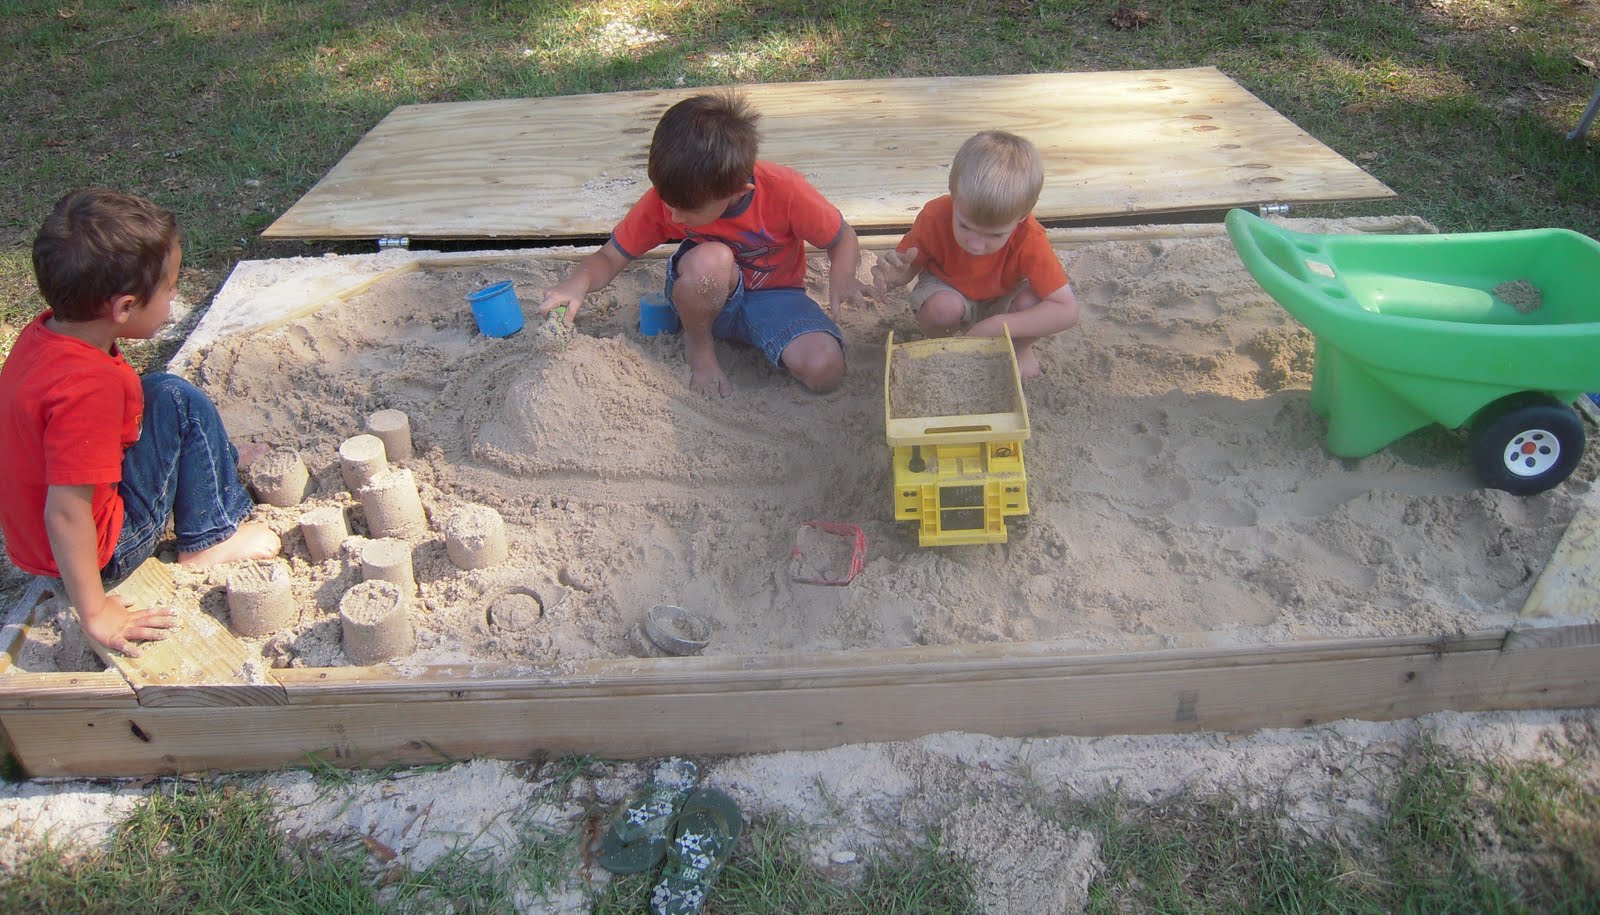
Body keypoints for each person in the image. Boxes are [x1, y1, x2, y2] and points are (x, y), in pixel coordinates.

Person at [0, 189, 280, 657]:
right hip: (100, 554)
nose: (174, 295)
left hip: (40, 543)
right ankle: (210, 536)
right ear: (124, 308)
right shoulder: (89, 390)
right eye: (170, 288)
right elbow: (67, 511)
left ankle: (214, 461)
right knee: (177, 399)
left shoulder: (44, 338)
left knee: (156, 393)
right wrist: (95, 611)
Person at [541, 91, 867, 396]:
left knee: (825, 369)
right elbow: (610, 258)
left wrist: (842, 275)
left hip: (776, 298)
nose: (674, 216)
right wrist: (577, 284)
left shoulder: (786, 191)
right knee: (713, 259)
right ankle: (700, 349)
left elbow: (841, 238)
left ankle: (760, 338)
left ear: (739, 191)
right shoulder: (672, 197)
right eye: (668, 203)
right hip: (705, 295)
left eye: (687, 210)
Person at [870, 130, 1080, 378]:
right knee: (941, 309)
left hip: (1004, 297)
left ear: (1022, 217)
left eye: (995, 235)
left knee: (1033, 302)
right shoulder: (935, 215)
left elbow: (1067, 310)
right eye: (965, 226)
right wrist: (896, 276)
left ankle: (1020, 348)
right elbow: (909, 267)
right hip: (948, 288)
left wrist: (999, 326)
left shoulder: (1030, 237)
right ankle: (944, 347)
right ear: (954, 198)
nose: (977, 245)